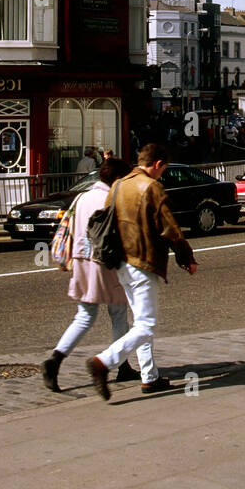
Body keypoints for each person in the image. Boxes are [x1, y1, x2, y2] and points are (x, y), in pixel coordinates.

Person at [86, 144, 198, 398]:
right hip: (143, 261)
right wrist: (186, 258)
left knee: (140, 321)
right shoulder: (151, 187)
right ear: (157, 164)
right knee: (146, 325)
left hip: (121, 261)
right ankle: (103, 362)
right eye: (164, 169)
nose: (163, 174)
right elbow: (170, 228)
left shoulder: (118, 185)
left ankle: (150, 376)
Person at [41, 158, 132, 392]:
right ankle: (121, 366)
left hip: (81, 259)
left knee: (84, 315)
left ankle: (55, 360)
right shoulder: (111, 198)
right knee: (119, 311)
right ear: (118, 179)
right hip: (104, 261)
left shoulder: (82, 197)